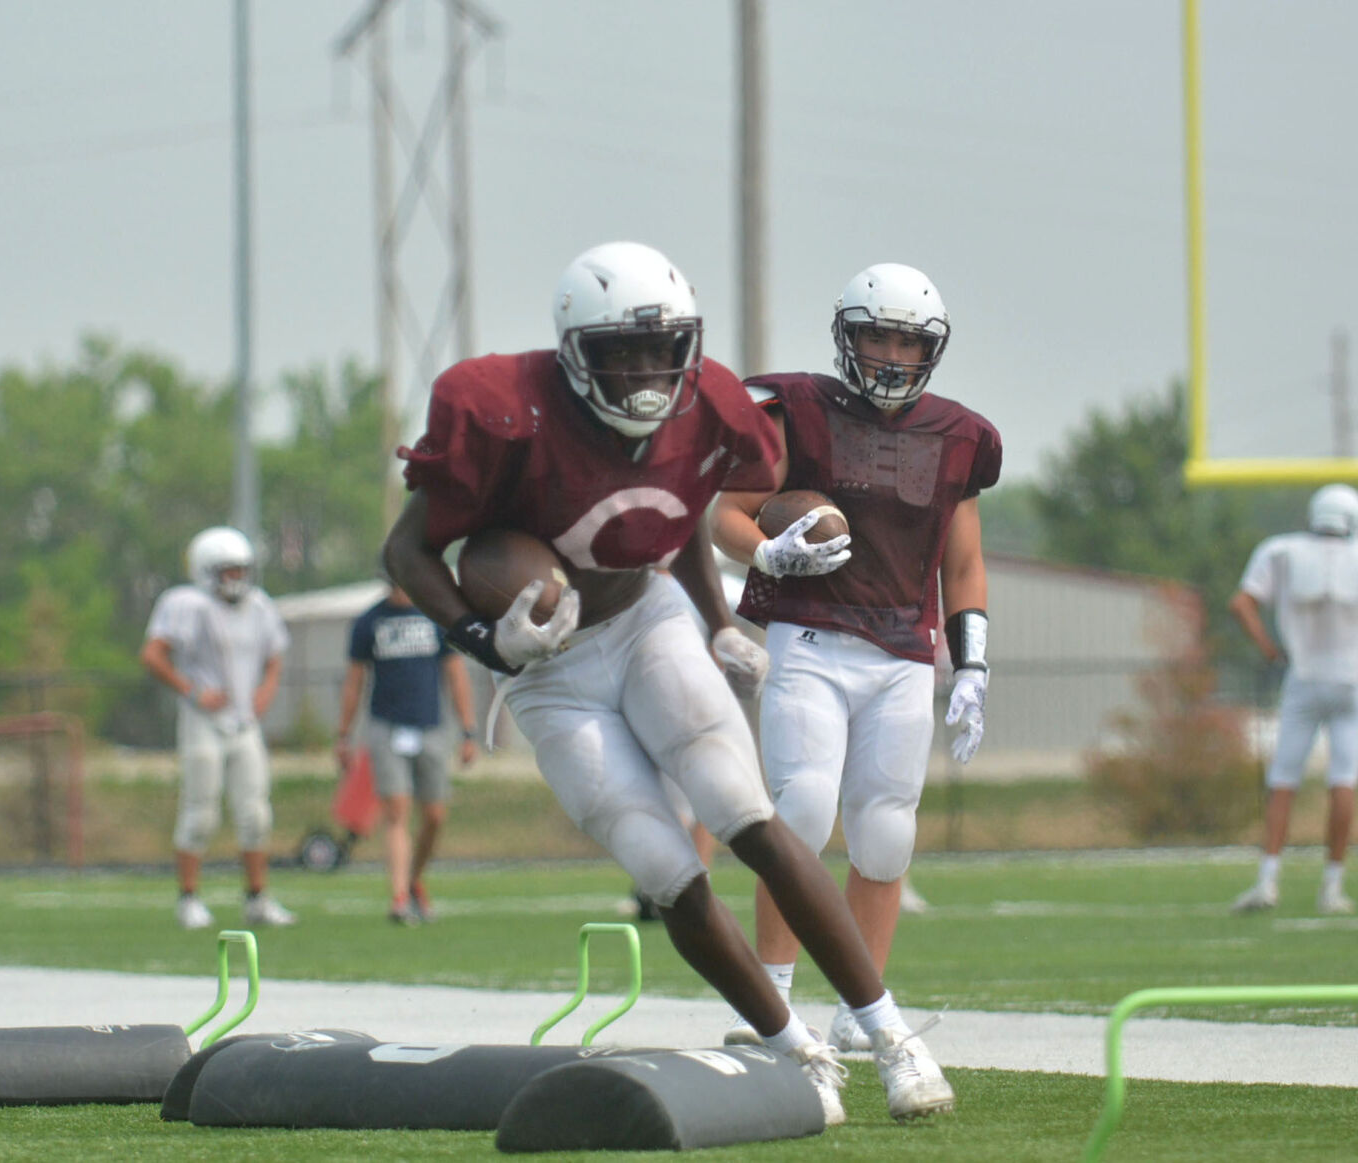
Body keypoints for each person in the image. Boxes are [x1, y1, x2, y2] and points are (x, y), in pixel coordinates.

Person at [383, 241, 952, 1123]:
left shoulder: (708, 404)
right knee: (664, 865)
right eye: (622, 351)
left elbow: (677, 503)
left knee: (746, 812)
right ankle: (790, 1048)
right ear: (574, 349)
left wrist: (717, 622)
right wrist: (484, 639)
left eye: (662, 349)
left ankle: (890, 1034)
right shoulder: (499, 408)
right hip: (550, 670)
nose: (647, 372)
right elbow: (406, 550)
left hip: (644, 618)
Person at [711, 263, 999, 1055]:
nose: (891, 352)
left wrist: (970, 662)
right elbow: (724, 515)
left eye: (908, 338)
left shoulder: (960, 436)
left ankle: (857, 1006)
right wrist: (768, 557)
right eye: (877, 332)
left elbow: (962, 563)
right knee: (800, 809)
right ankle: (768, 999)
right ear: (848, 334)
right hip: (809, 633)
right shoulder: (798, 409)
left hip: (903, 649)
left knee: (884, 833)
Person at [1228, 484, 1358, 914]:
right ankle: (1332, 887)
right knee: (1343, 781)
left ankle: (1268, 880)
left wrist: (1267, 647)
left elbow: (1241, 603)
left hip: (1302, 676)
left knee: (1283, 781)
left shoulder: (1282, 551)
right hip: (1352, 679)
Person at [141, 526, 296, 930]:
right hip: (202, 722)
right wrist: (191, 691)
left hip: (244, 723)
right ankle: (188, 899)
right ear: (206, 571)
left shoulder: (258, 605)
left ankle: (257, 899)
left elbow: (276, 653)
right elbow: (154, 654)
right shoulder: (186, 603)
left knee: (256, 814)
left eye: (241, 570)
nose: (237, 579)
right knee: (200, 812)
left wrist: (266, 689)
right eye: (228, 571)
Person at [336, 583, 480, 925]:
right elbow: (354, 681)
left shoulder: (435, 613)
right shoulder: (369, 621)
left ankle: (414, 879)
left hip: (430, 726)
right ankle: (399, 898)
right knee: (396, 811)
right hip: (386, 727)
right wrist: (343, 734)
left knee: (434, 816)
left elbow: (455, 674)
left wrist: (468, 730)